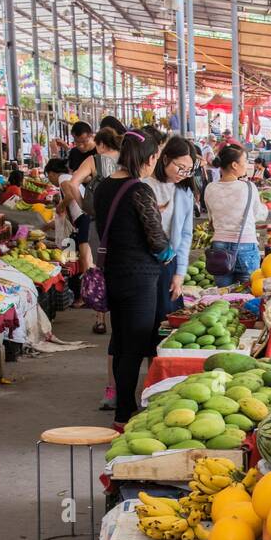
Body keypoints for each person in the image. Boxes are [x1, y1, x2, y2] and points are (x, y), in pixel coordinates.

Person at [93, 129, 174, 425]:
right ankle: (125, 415)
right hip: (140, 277)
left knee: (123, 341)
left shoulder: (102, 188)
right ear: (149, 158)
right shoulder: (139, 189)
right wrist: (170, 256)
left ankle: (124, 410)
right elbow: (156, 239)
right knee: (135, 347)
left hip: (114, 274)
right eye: (154, 158)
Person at [67, 127, 122, 331]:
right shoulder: (128, 158)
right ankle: (121, 315)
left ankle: (100, 320)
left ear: (100, 144)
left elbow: (72, 183)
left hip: (99, 220)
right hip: (124, 220)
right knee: (120, 266)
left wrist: (83, 206)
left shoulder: (94, 160)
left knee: (100, 267)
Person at [203, 143, 268, 287]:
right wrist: (263, 205)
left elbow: (211, 218)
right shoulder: (248, 187)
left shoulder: (210, 188)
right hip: (245, 246)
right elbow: (259, 215)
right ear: (234, 165)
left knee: (223, 296)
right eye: (244, 161)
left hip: (219, 247)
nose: (246, 165)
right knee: (247, 296)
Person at [146, 135, 195, 322]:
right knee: (145, 317)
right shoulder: (144, 186)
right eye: (180, 167)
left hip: (169, 263)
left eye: (188, 170)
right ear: (165, 159)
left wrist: (179, 273)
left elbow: (185, 234)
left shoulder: (184, 192)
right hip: (144, 262)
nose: (183, 174)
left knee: (167, 317)